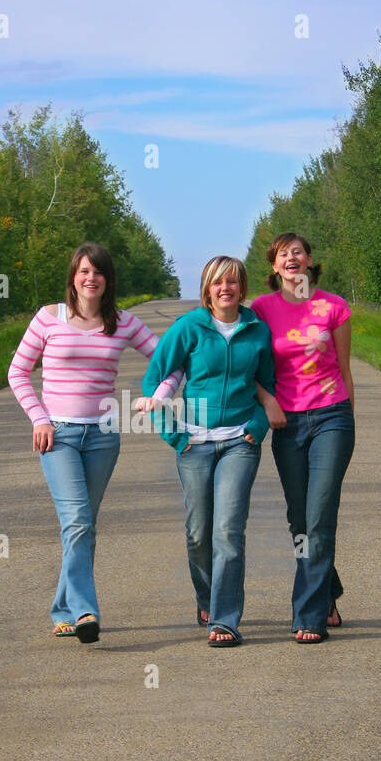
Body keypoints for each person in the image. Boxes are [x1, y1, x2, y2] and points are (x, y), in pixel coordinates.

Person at [8, 242, 180, 644]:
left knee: (83, 526)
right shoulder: (49, 318)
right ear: (73, 276)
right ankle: (86, 611)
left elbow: (170, 363)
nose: (91, 278)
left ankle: (62, 609)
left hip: (103, 438)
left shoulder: (122, 323)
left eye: (98, 272)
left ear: (108, 281)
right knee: (78, 522)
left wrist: (161, 395)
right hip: (58, 435)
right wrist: (39, 417)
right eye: (84, 271)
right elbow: (18, 372)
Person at [137, 256, 279, 648]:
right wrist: (175, 437)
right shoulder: (189, 328)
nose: (225, 289)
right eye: (218, 282)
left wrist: (257, 428)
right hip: (194, 444)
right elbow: (154, 382)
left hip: (240, 442)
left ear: (242, 287)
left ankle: (225, 619)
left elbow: (268, 384)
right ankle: (206, 599)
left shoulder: (257, 331)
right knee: (199, 532)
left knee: (228, 530)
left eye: (232, 282)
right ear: (207, 288)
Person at [249, 232, 355, 645]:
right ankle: (327, 590)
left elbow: (345, 368)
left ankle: (308, 614)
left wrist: (350, 418)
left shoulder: (334, 307)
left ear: (310, 260)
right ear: (274, 266)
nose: (291, 258)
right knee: (299, 520)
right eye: (282, 254)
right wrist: (267, 402)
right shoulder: (260, 310)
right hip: (286, 423)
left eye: (298, 252)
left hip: (332, 417)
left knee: (320, 516)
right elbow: (252, 368)